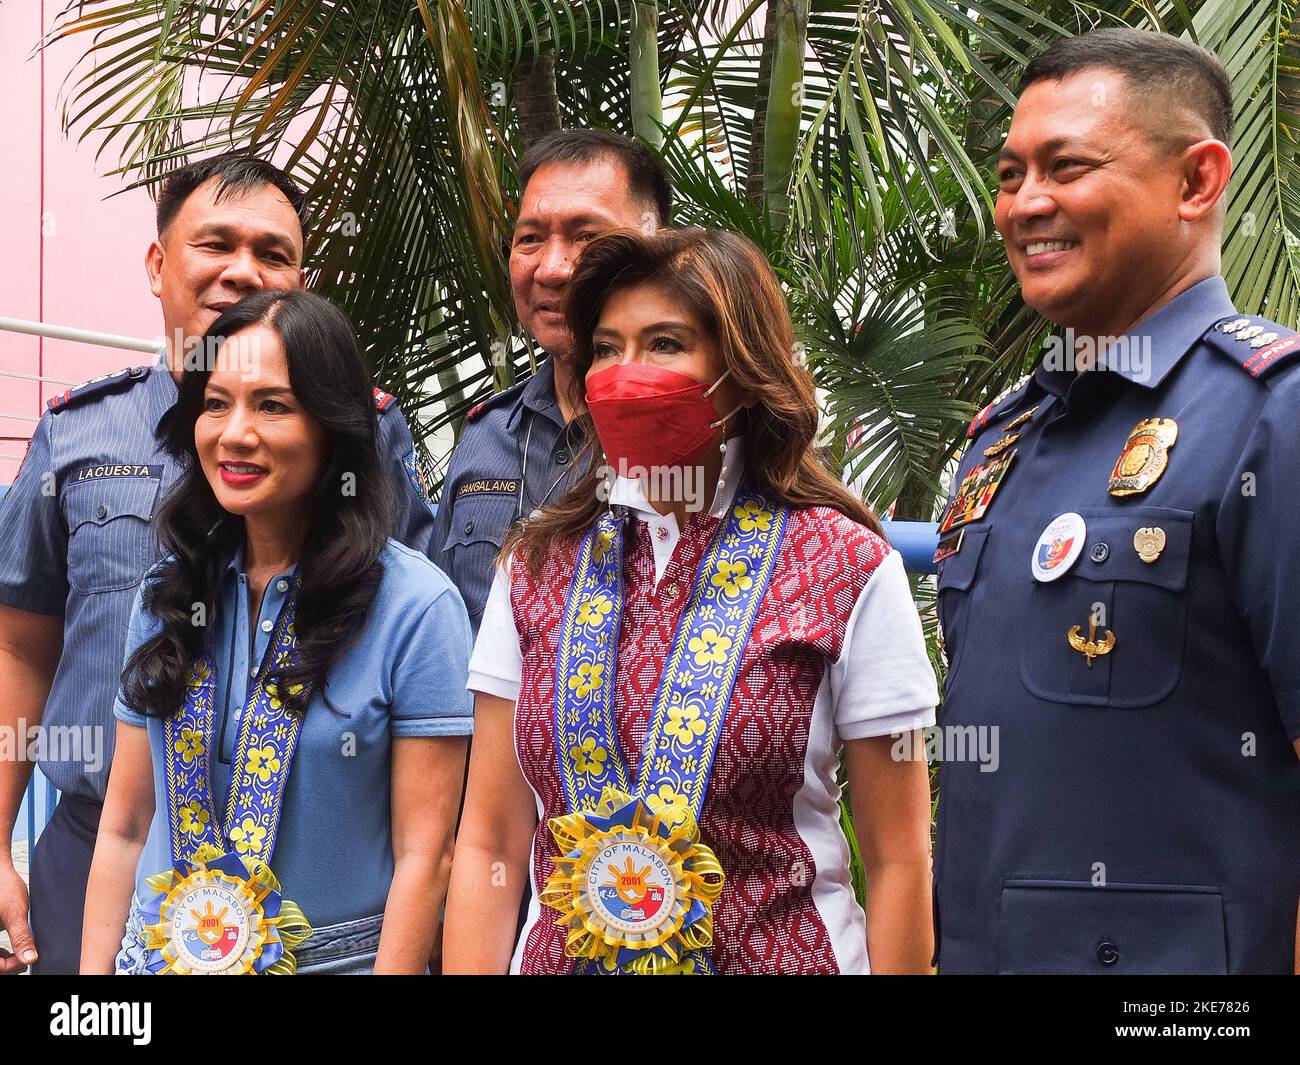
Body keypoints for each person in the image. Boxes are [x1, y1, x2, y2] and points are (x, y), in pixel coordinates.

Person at [443, 228, 939, 974]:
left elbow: (899, 859)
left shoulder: (847, 564)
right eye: (607, 349)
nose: (625, 373)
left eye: (665, 344)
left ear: (740, 371)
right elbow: (490, 840)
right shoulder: (535, 566)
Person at [0, 153, 437, 975]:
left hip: (314, 875)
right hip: (104, 838)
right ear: (159, 264)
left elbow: (403, 638)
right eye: (216, 244)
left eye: (273, 254)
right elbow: (21, 645)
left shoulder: (368, 438)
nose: (244, 271)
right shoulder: (77, 432)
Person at [933, 27, 1300, 974]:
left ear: (1197, 181)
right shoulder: (1001, 439)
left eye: (1067, 166)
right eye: (1011, 174)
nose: (1026, 204)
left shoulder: (1274, 414)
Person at [80, 290, 472, 975]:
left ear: (333, 425)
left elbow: (426, 854)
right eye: (215, 402)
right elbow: (124, 826)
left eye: (273, 405)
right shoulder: (168, 592)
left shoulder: (416, 608)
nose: (234, 432)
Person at [431, 129, 673, 633]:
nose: (554, 268)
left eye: (587, 236)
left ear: (658, 246)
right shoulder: (485, 438)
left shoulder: (699, 438)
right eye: (530, 239)